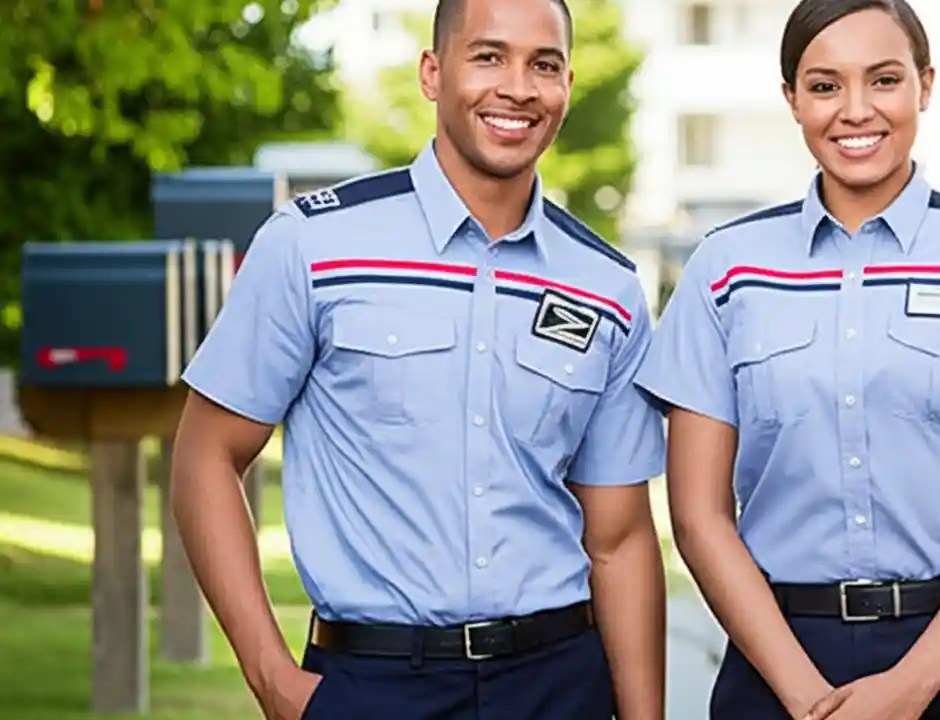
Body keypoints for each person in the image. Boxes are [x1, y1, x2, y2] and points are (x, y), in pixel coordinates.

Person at [169, 0, 667, 718]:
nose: (519, 88)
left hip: (559, 684)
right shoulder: (311, 246)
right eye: (488, 57)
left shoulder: (609, 287)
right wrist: (273, 679)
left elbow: (619, 538)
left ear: (567, 86)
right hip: (373, 684)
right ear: (433, 73)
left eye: (545, 65)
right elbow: (206, 455)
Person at [634, 1, 940, 718]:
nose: (856, 110)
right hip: (780, 657)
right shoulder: (726, 268)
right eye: (824, 86)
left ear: (926, 85)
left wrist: (910, 689)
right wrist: (806, 697)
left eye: (883, 80)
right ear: (791, 99)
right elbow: (698, 515)